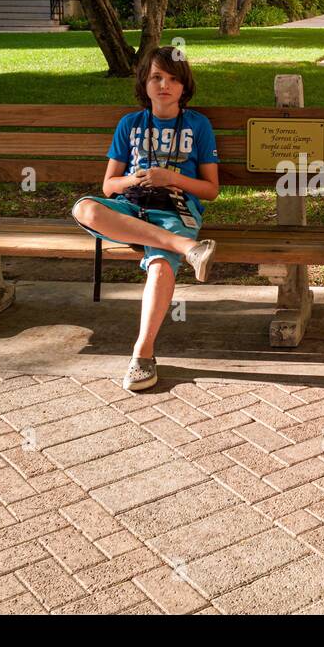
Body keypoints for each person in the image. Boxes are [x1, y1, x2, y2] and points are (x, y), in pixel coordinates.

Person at [71, 46, 219, 392]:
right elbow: (109, 186)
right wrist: (134, 179)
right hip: (133, 206)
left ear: (184, 85)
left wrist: (172, 178)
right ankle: (189, 248)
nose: (164, 85)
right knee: (85, 209)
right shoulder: (130, 124)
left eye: (172, 78)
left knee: (161, 266)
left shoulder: (198, 125)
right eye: (156, 77)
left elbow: (211, 190)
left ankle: (142, 354)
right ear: (144, 82)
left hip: (175, 208)